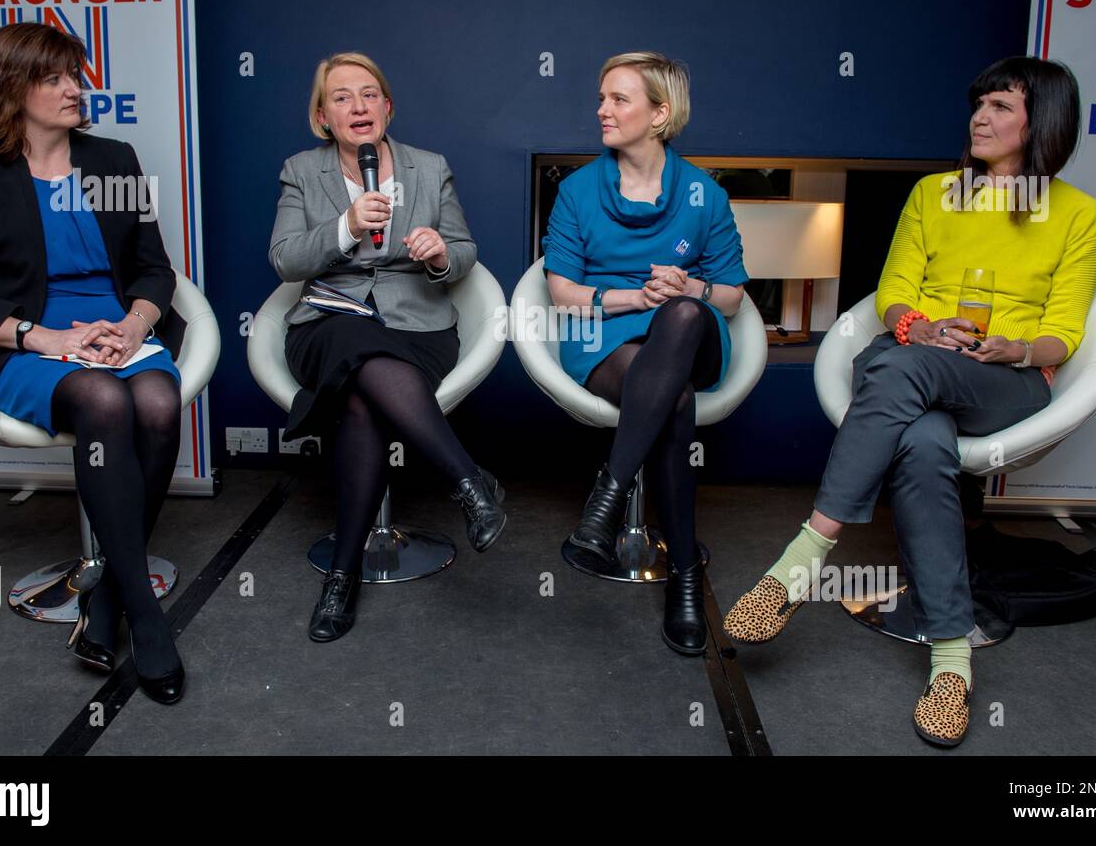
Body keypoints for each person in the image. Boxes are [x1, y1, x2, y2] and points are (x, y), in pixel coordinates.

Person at [723, 56, 1096, 747]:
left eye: (1000, 107)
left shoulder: (1078, 214)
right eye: (978, 105)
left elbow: (1065, 335)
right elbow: (895, 288)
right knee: (923, 436)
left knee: (901, 374)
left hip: (1002, 379)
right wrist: (920, 328)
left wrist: (1010, 349)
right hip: (913, 360)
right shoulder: (935, 193)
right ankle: (952, 664)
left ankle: (801, 560)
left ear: (1041, 122)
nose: (979, 118)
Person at [0, 22, 186, 704]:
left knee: (157, 402)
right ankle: (145, 615)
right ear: (9, 88)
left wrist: (131, 328)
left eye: (76, 73)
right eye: (55, 77)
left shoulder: (113, 159)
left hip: (115, 327)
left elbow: (154, 271)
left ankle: (107, 598)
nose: (76, 88)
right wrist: (48, 337)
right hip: (31, 340)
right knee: (102, 401)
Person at [270, 52, 507, 644]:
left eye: (370, 95)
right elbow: (285, 259)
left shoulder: (429, 168)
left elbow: (465, 252)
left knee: (360, 399)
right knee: (354, 343)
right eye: (343, 97)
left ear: (388, 107)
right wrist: (346, 227)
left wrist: (439, 254)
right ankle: (470, 481)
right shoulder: (302, 170)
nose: (359, 107)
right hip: (327, 324)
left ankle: (342, 576)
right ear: (322, 116)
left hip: (415, 326)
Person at [542, 52, 749, 655]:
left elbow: (732, 297)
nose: (602, 110)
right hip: (605, 339)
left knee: (683, 314)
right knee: (673, 401)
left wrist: (688, 287)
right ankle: (685, 575)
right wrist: (636, 296)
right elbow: (561, 292)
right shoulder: (579, 190)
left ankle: (606, 493)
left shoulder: (702, 192)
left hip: (691, 337)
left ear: (660, 114)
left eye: (619, 100)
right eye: (601, 98)